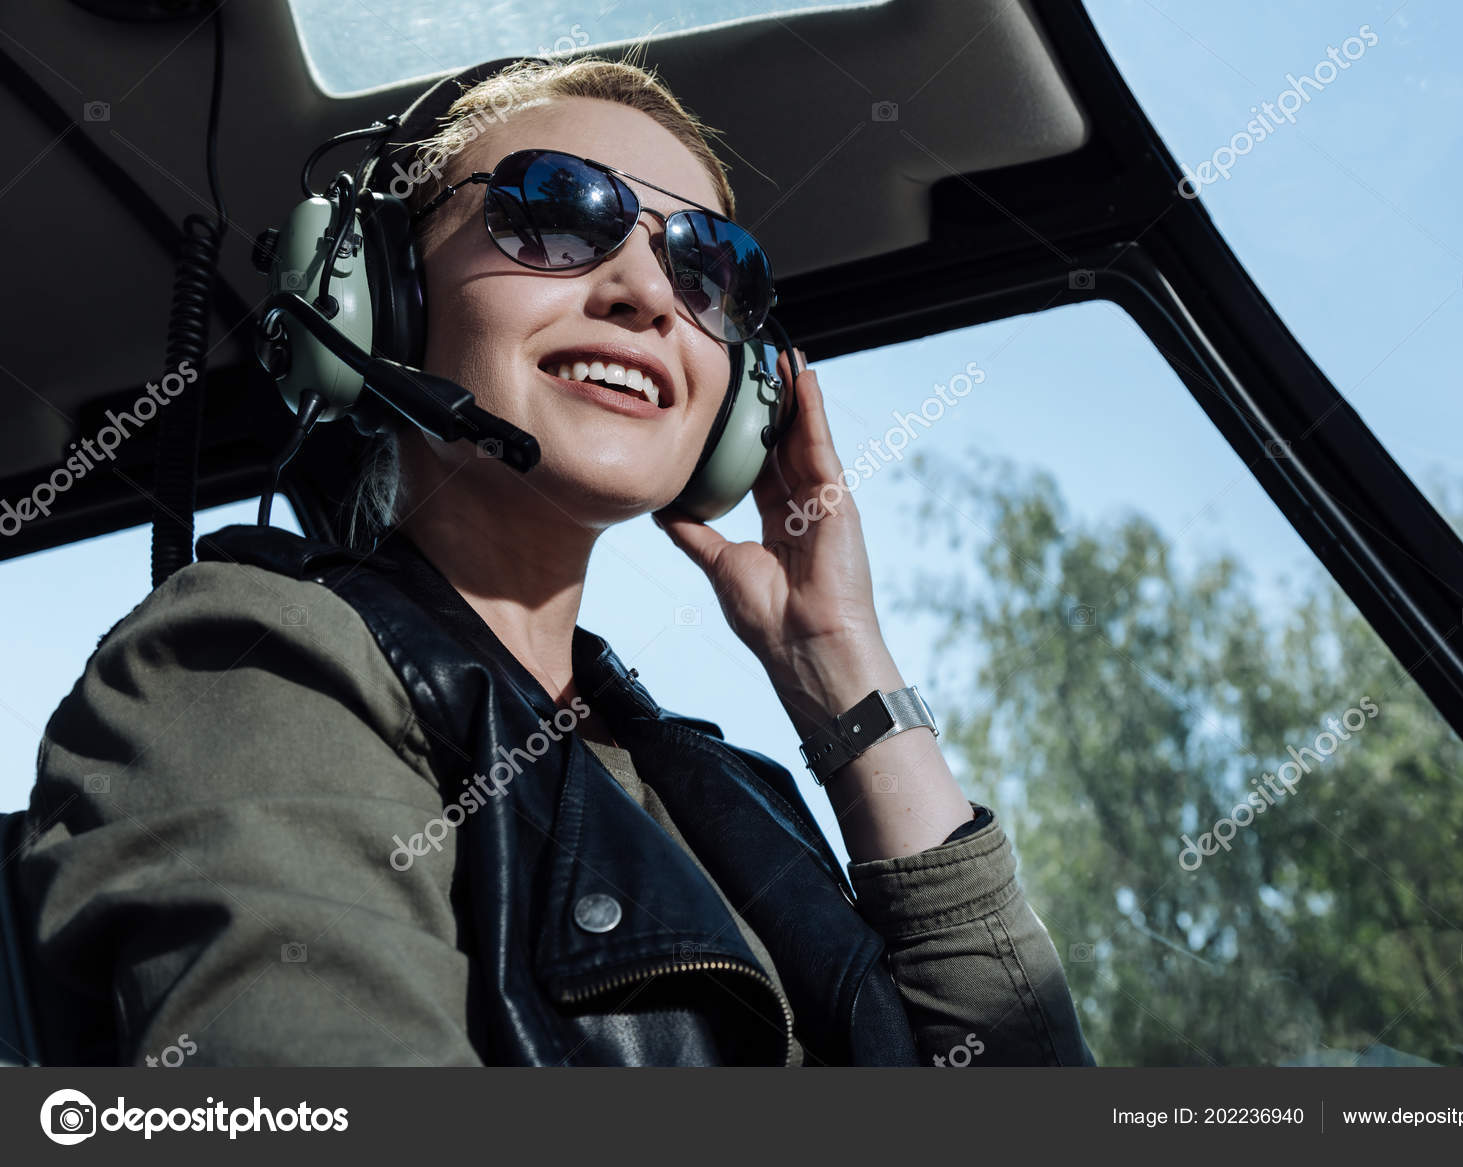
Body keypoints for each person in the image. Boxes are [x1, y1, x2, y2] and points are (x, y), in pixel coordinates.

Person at [20, 54, 1093, 1067]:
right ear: (380, 296)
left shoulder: (727, 792)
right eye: (550, 215)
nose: (648, 293)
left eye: (710, 268)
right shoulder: (246, 660)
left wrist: (838, 665)